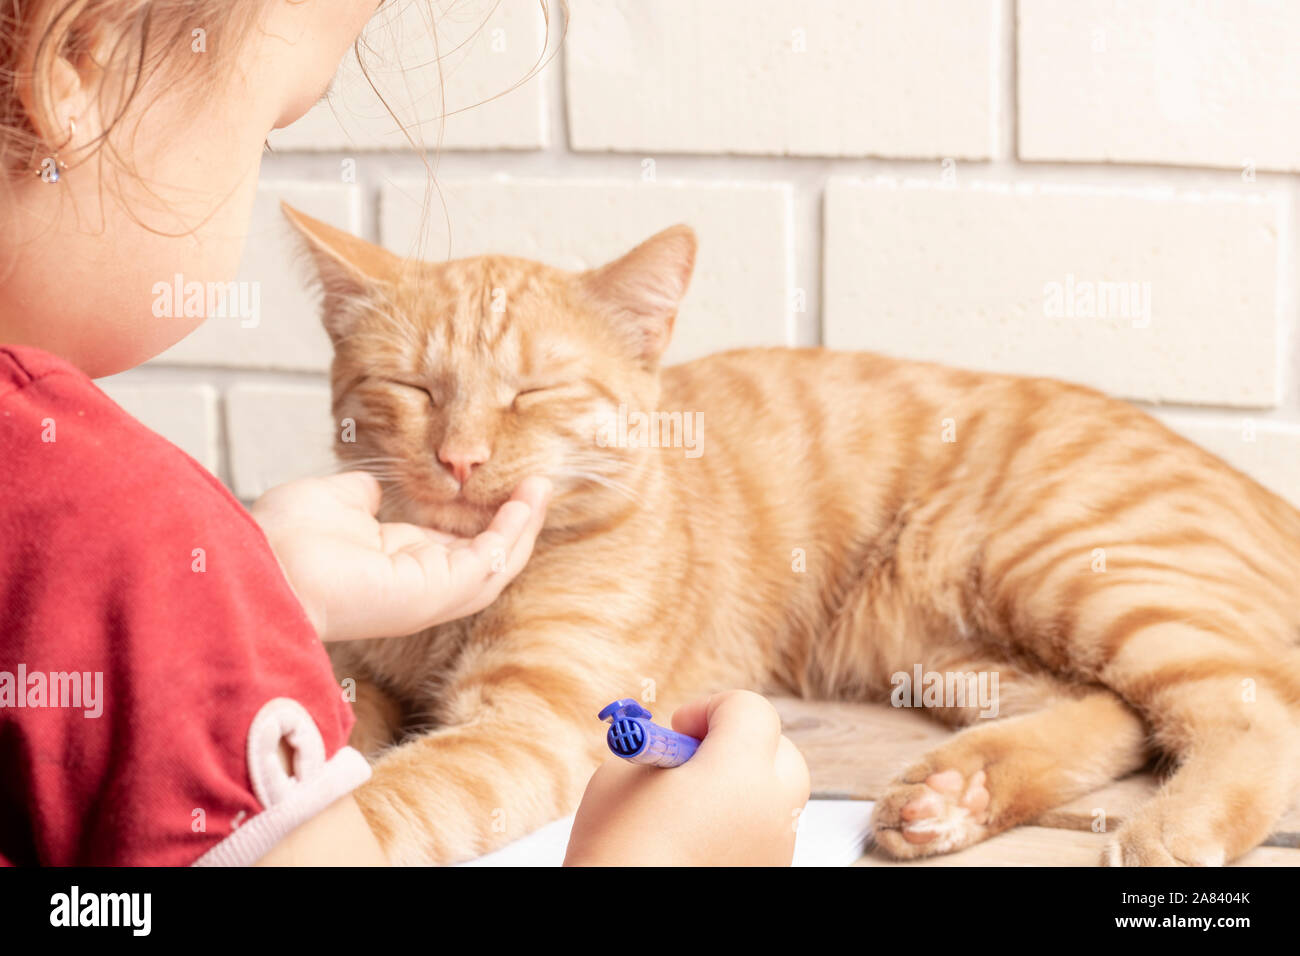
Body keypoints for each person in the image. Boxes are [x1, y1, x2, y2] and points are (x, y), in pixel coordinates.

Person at [0, 0, 808, 867]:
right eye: (270, 129)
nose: (462, 448)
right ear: (73, 66)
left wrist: (255, 592)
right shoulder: (116, 513)